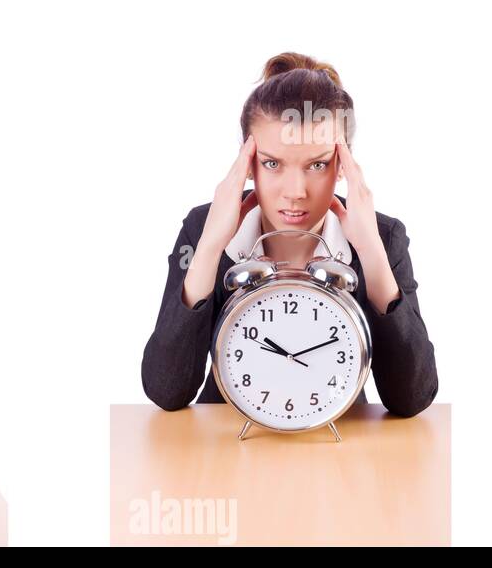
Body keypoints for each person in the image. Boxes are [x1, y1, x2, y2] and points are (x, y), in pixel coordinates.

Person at [141, 52, 437, 416]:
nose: (295, 191)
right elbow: (166, 391)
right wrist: (210, 247)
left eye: (317, 164)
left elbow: (412, 399)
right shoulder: (203, 229)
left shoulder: (383, 236)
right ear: (246, 163)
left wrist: (372, 253)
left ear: (344, 164)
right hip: (225, 440)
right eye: (272, 163)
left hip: (338, 439)